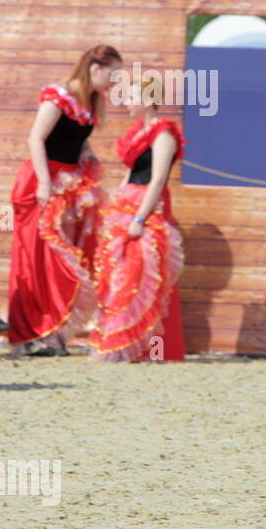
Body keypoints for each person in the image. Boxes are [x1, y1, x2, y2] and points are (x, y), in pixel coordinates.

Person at [7, 44, 122, 355]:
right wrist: (45, 182)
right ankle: (29, 334)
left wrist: (90, 158)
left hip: (71, 185)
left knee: (66, 261)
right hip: (42, 183)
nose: (115, 81)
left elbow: (77, 142)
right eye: (114, 74)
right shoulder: (58, 95)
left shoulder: (91, 102)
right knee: (36, 260)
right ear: (95, 69)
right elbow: (36, 138)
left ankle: (53, 333)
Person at [89, 74, 187, 362]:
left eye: (131, 97)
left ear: (147, 101)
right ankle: (121, 340)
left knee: (146, 272)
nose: (127, 103)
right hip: (127, 204)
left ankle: (148, 347)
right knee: (121, 272)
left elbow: (158, 180)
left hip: (148, 207)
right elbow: (132, 169)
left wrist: (140, 219)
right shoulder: (138, 133)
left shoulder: (164, 134)